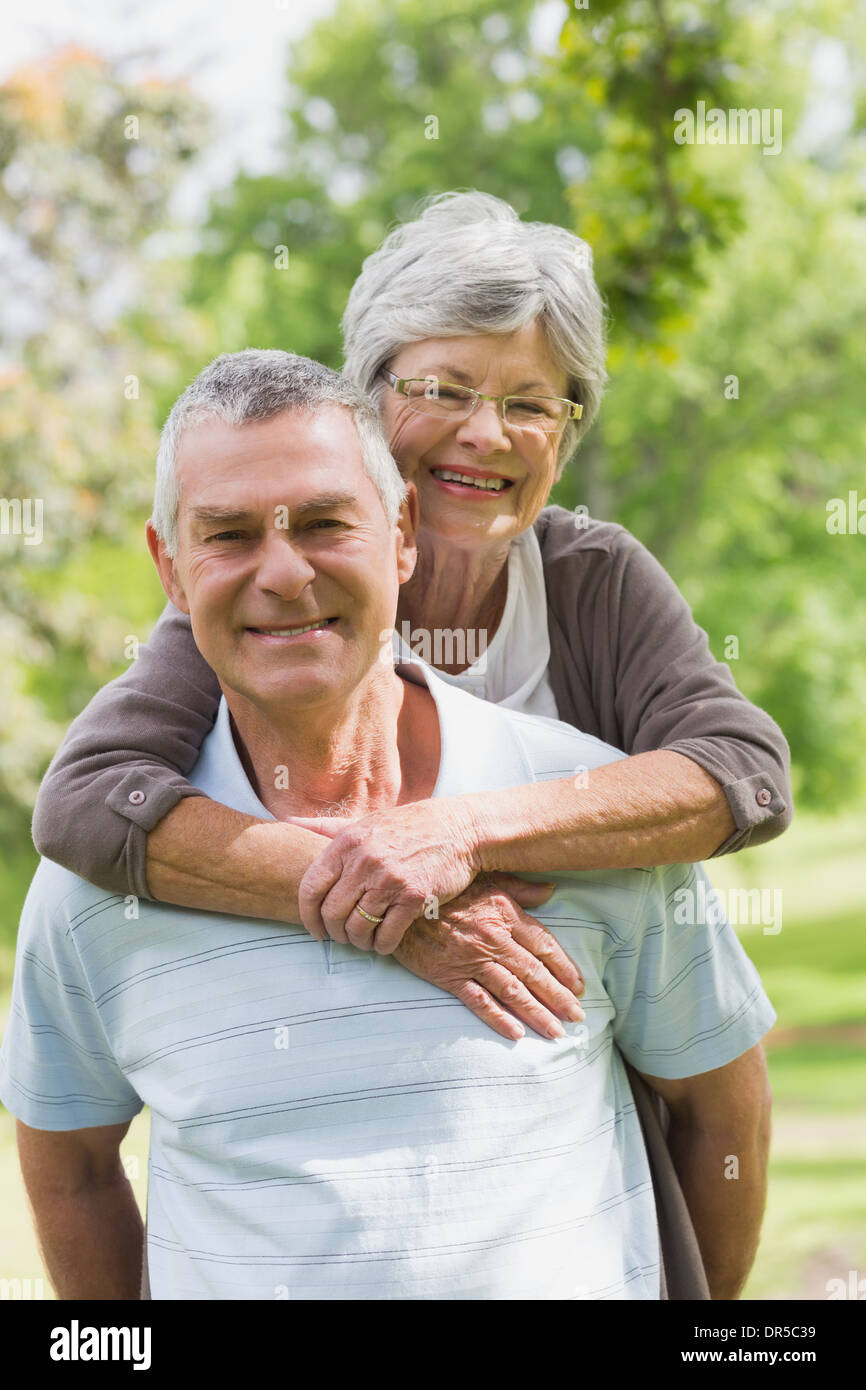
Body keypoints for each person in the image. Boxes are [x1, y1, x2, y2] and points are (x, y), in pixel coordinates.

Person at [1, 353, 775, 1301]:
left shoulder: (592, 811)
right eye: (229, 536)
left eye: (326, 522)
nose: (284, 574)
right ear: (169, 567)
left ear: (403, 533)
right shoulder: (99, 883)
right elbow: (70, 1166)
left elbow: (720, 1112)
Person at [31, 192, 792, 1042]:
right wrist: (391, 900)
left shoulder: (593, 580)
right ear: (366, 399)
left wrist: (462, 833)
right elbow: (86, 805)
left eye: (530, 405)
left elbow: (742, 774)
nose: (486, 435)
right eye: (443, 390)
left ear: (566, 430)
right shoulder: (277, 602)